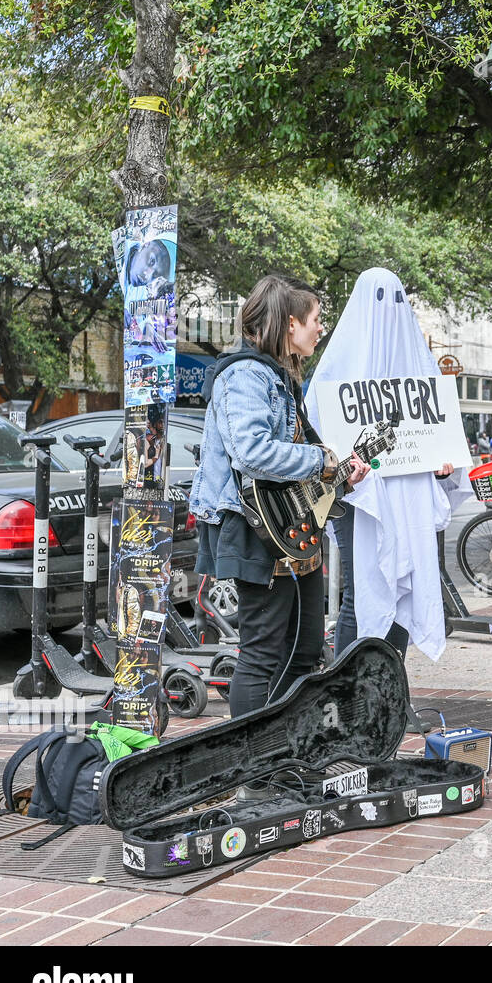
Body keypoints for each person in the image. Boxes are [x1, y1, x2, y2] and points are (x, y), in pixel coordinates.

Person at [189, 275, 367, 717]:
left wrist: (342, 474)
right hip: (256, 531)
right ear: (289, 324)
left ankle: (279, 744)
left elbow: (297, 464)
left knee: (304, 650)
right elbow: (252, 454)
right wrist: (319, 461)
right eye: (315, 319)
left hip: (289, 530)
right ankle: (250, 766)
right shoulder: (246, 375)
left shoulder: (281, 378)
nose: (320, 328)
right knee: (263, 654)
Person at [305, 267, 466, 662]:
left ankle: (389, 684)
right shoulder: (333, 370)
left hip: (410, 493)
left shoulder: (421, 366)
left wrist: (442, 465)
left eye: (395, 299)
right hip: (357, 498)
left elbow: (441, 437)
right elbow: (314, 436)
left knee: (404, 581)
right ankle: (345, 689)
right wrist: (339, 464)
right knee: (361, 589)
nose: (387, 312)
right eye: (378, 299)